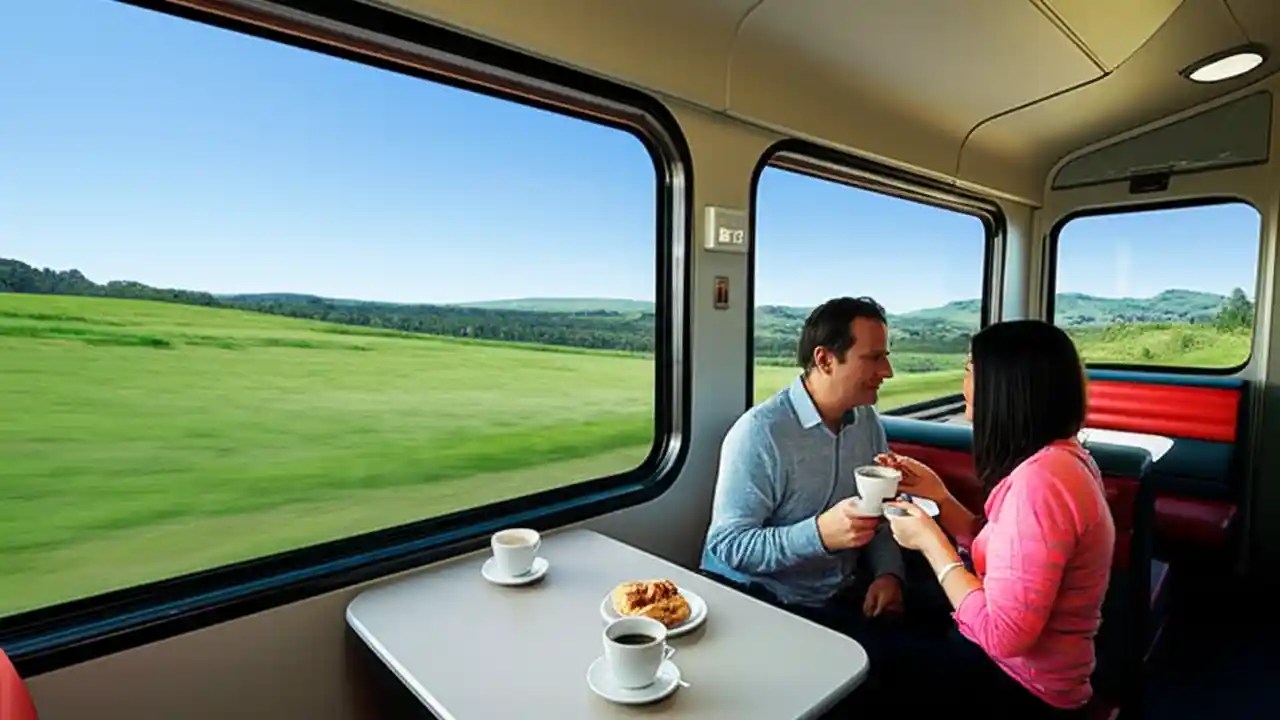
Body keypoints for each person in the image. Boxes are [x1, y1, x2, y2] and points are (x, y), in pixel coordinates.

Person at [880, 320, 1114, 717]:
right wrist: (939, 495)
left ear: (1007, 387)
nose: (963, 382)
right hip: (1029, 672)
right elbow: (1007, 553)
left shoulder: (1043, 482)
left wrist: (929, 542)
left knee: (875, 657)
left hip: (1025, 687)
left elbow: (1002, 635)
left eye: (970, 369)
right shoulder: (1061, 460)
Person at [700, 296, 905, 632]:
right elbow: (728, 544)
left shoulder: (867, 423)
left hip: (837, 593)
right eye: (874, 358)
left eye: (886, 357)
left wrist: (889, 573)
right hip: (759, 597)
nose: (887, 371)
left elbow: (880, 512)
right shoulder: (761, 433)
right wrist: (818, 535)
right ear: (824, 360)